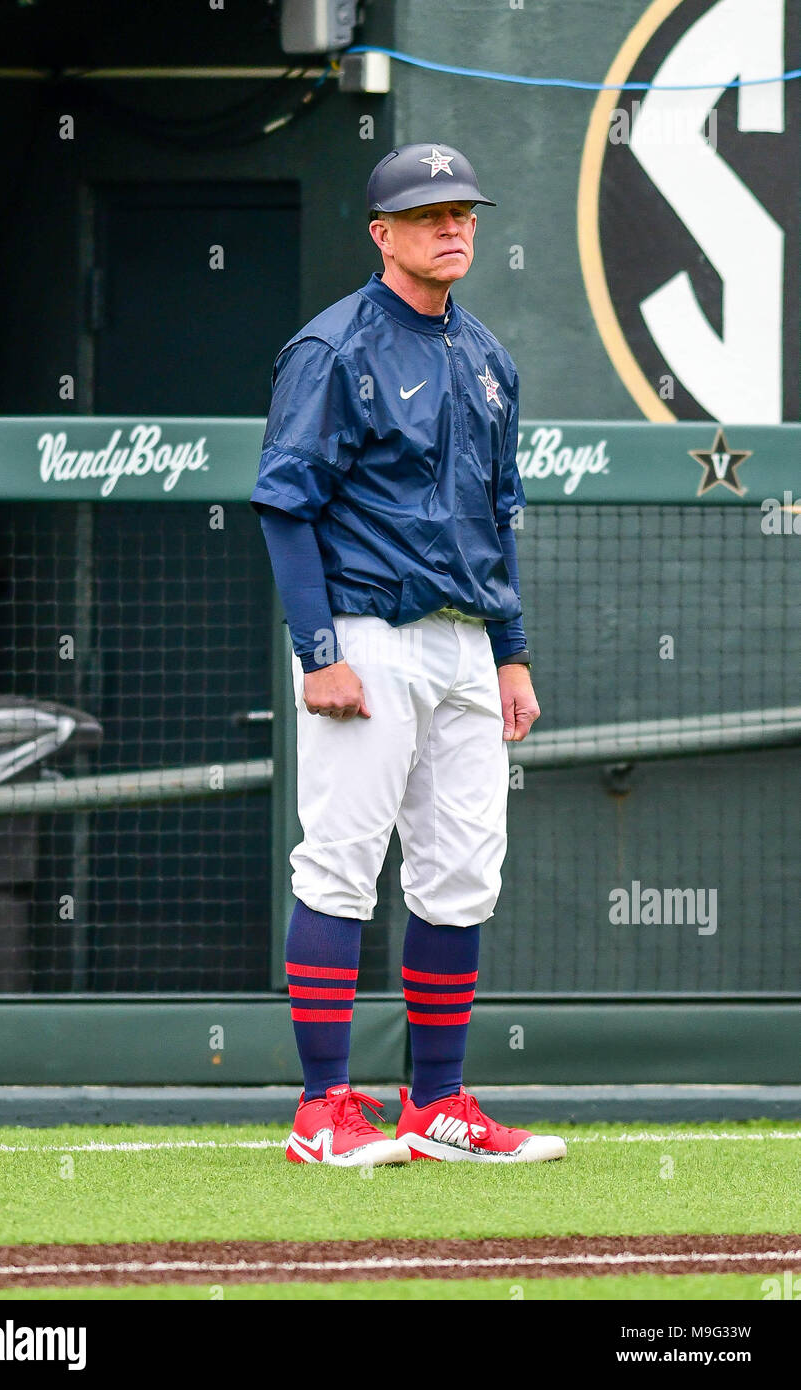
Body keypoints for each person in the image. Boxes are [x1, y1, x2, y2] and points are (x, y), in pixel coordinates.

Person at [251, 142, 566, 1167]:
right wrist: (316, 651)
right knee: (340, 864)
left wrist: (511, 653)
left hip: (467, 642)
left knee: (461, 875)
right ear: (380, 232)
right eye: (427, 213)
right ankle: (321, 1111)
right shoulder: (331, 346)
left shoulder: (486, 354)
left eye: (463, 211)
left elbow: (496, 515)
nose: (452, 227)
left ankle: (435, 1107)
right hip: (367, 631)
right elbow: (284, 508)